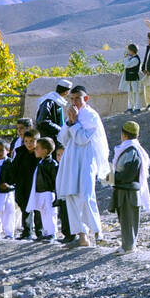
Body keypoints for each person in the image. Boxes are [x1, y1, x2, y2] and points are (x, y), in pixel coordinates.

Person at [55, 85, 110, 248]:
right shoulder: (71, 115)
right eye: (71, 99)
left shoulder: (91, 116)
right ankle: (81, 236)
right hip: (71, 159)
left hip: (86, 159)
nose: (74, 102)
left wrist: (74, 124)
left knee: (86, 195)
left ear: (85, 99)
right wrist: (70, 122)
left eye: (77, 98)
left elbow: (83, 139)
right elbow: (63, 139)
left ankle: (98, 232)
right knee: (71, 195)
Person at [109, 120, 150, 254]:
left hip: (128, 190)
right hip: (125, 189)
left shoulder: (130, 151)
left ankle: (128, 246)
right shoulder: (131, 149)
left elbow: (127, 173)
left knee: (128, 219)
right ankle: (127, 244)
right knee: (126, 218)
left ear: (124, 135)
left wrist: (112, 178)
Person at [10, 129, 40, 239]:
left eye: (31, 141)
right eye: (26, 141)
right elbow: (14, 167)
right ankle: (27, 231)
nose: (29, 144)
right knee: (24, 206)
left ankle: (39, 231)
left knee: (37, 208)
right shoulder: (20, 151)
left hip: (36, 185)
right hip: (22, 183)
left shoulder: (39, 153)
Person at [28, 137, 58, 242]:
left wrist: (56, 195)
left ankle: (52, 234)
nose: (35, 150)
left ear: (45, 151)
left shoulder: (51, 164)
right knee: (43, 214)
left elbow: (55, 180)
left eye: (37, 148)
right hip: (40, 193)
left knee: (50, 214)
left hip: (48, 192)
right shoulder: (40, 162)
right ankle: (46, 233)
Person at [120, 44, 143, 113]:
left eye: (129, 50)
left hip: (134, 78)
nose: (128, 52)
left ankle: (137, 107)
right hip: (129, 78)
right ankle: (130, 107)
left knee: (135, 93)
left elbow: (127, 65)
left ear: (132, 51)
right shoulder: (131, 58)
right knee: (130, 93)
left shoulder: (135, 59)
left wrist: (126, 58)